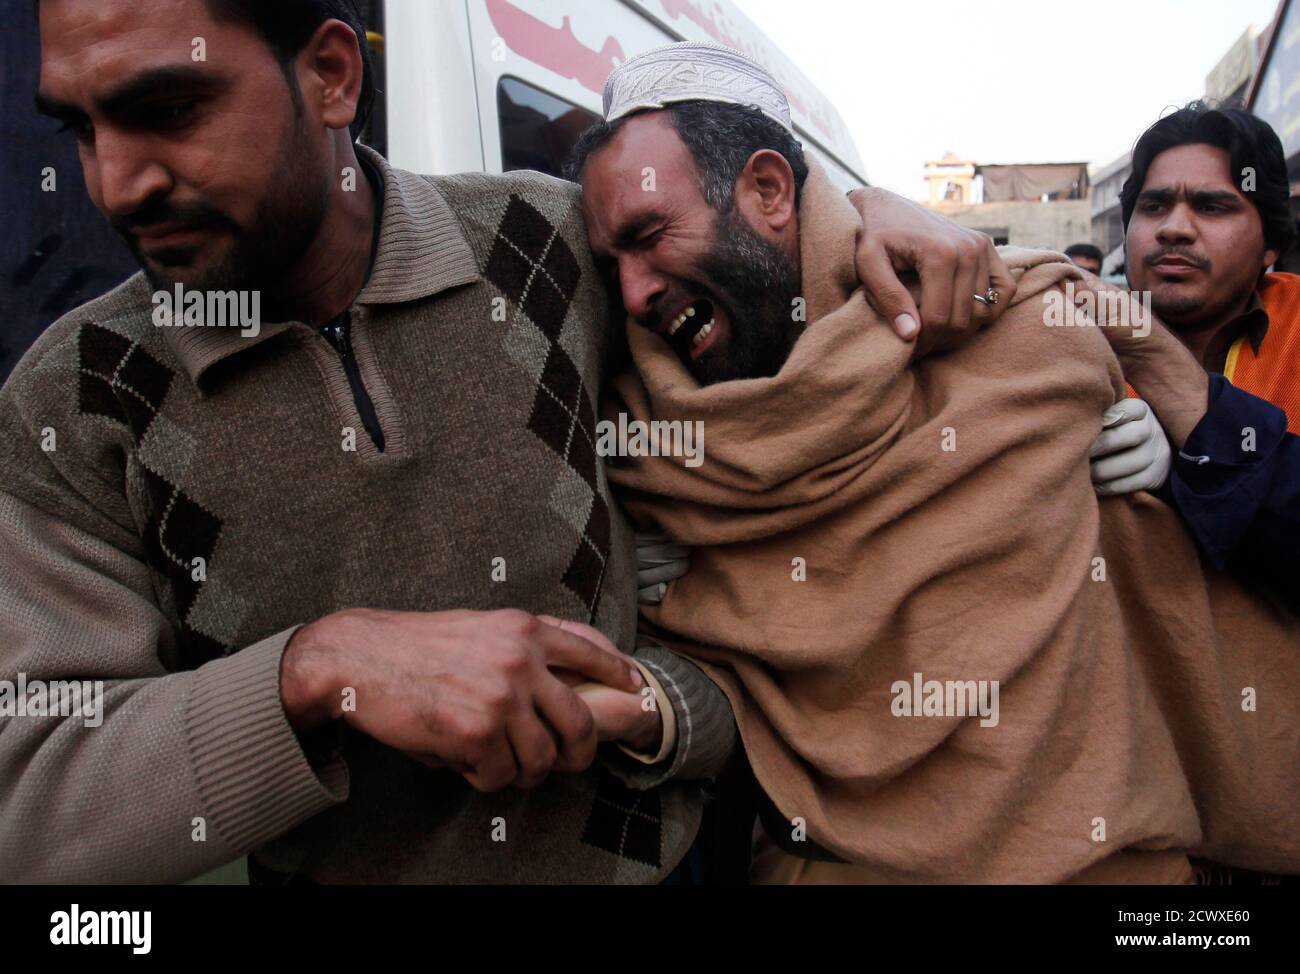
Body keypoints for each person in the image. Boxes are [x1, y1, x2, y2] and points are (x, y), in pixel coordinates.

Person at [1, 0, 1004, 883]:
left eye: (170, 109)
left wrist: (878, 218)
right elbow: (28, 792)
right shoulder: (76, 398)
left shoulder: (549, 246)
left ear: (331, 75)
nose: (117, 183)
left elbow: (760, 267)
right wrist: (313, 670)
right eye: (79, 129)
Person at [569, 42, 1300, 883]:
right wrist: (646, 616)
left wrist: (1193, 460)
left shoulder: (1027, 340)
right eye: (608, 262)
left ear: (770, 190)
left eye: (651, 234)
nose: (630, 294)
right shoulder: (643, 454)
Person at [1081, 104, 1300, 607]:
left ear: (1269, 244)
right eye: (1154, 206)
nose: (1173, 228)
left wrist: (1189, 462)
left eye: (1212, 206)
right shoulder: (1067, 333)